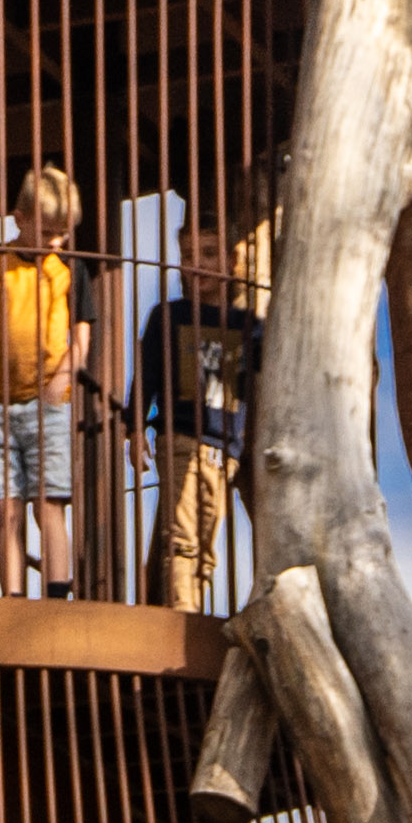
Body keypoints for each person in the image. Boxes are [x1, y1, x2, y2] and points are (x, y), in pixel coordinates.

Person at [0, 166, 96, 599]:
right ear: (19, 219)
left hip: (48, 404)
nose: (55, 242)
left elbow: (81, 336)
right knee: (6, 508)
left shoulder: (70, 268)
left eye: (62, 233)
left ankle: (57, 594)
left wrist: (62, 378)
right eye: (46, 232)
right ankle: (12, 597)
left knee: (49, 504)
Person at [136, 220, 263, 610]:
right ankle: (183, 612)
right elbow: (147, 375)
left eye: (208, 254)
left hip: (224, 449)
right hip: (179, 438)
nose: (197, 264)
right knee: (182, 537)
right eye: (188, 255)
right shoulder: (169, 316)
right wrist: (134, 426)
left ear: (231, 262)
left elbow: (259, 384)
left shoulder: (248, 327)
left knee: (207, 543)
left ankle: (193, 605)